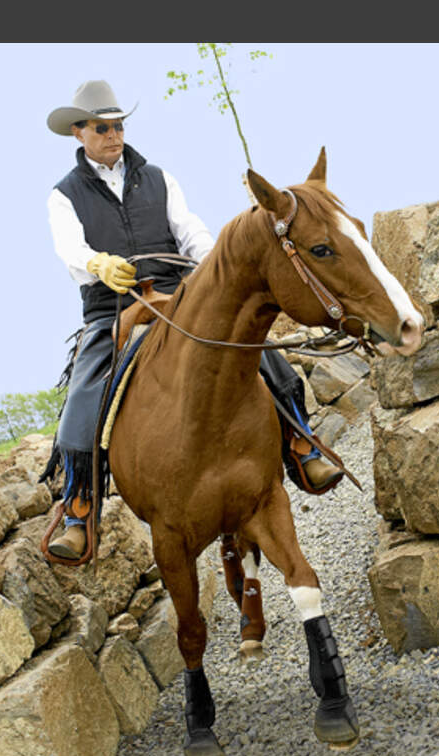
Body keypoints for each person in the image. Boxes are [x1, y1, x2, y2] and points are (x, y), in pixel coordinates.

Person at [42, 80, 342, 561]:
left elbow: (190, 231)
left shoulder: (158, 178)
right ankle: (79, 507)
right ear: (79, 132)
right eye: (102, 128)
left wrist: (213, 267)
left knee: (251, 343)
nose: (113, 135)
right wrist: (98, 263)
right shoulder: (64, 194)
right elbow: (69, 248)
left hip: (178, 293)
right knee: (85, 391)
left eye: (118, 126)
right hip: (111, 305)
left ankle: (301, 443)